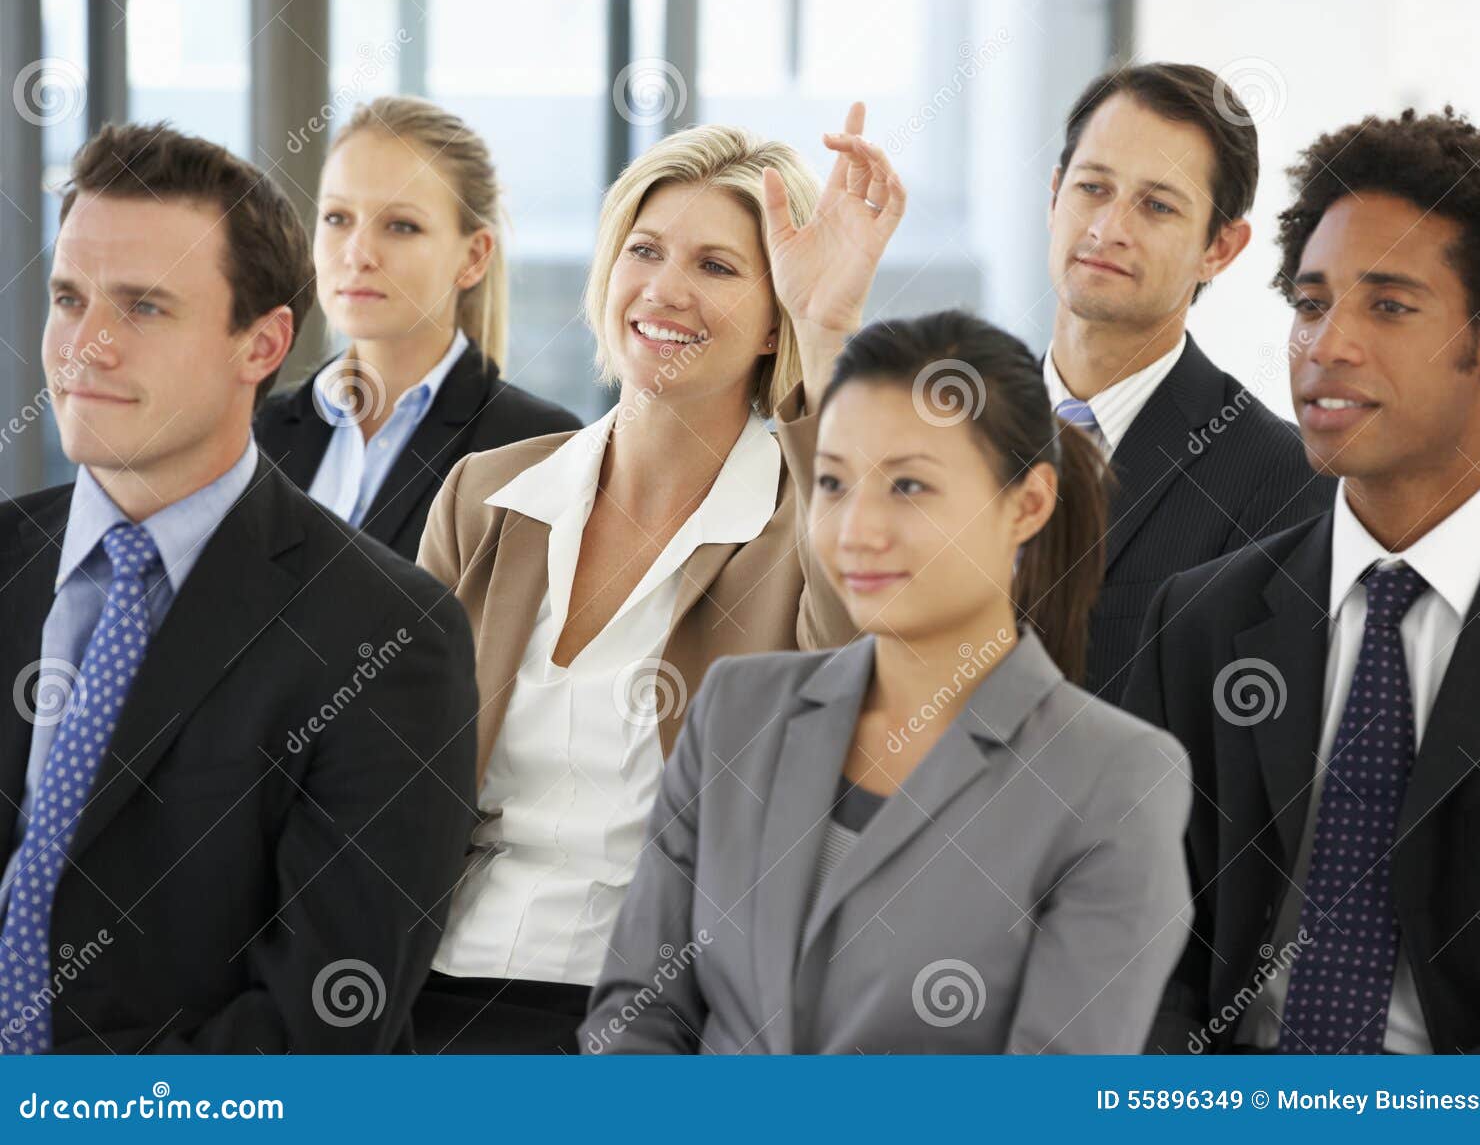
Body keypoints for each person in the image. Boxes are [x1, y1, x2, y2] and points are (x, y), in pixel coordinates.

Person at [409, 103, 903, 1053]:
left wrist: (829, 328)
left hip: (669, 1018)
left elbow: (867, 679)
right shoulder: (486, 495)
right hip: (441, 989)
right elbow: (390, 763)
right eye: (645, 250)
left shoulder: (807, 517)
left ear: (774, 324)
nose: (666, 289)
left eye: (716, 266)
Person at [582, 310, 1193, 1054]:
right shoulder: (737, 710)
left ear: (1029, 504)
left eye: (908, 485)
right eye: (833, 482)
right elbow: (638, 1013)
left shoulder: (1115, 777)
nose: (857, 529)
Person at [1125, 108, 1480, 1054]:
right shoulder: (1201, 618)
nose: (1326, 344)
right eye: (1311, 304)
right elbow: (1135, 944)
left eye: (1388, 307)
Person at [0, 123, 479, 1054]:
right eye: (69, 298)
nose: (85, 347)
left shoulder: (387, 636)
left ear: (261, 345)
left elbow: (319, 1029)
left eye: (144, 307)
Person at [1044, 62, 1335, 704]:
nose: (1107, 229)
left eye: (1157, 205)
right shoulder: (955, 426)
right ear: (1055, 194)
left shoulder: (1285, 484)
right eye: (1092, 187)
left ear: (1219, 249)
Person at [255, 96, 579, 562]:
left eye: (401, 226)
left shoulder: (537, 448)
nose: (357, 254)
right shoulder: (260, 430)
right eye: (337, 218)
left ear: (473, 257)